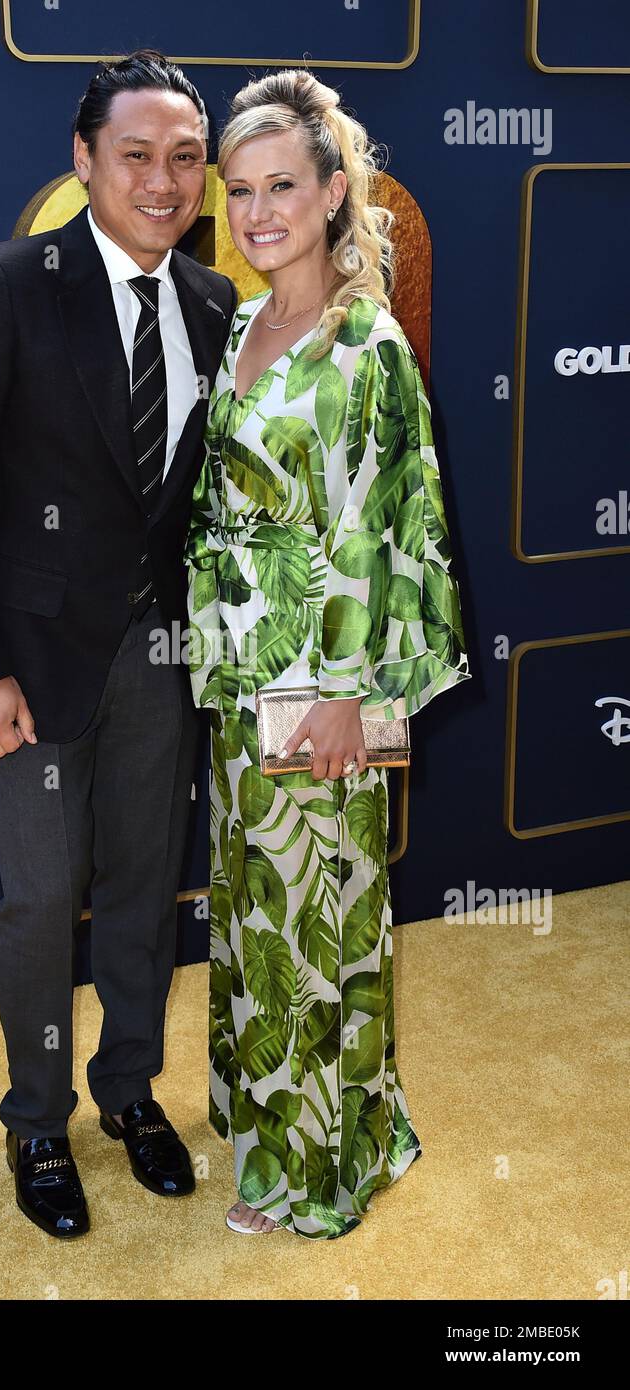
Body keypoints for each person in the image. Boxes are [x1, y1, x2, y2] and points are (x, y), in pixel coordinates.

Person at [0, 50, 236, 1239]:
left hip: (164, 659)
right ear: (83, 159)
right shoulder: (1, 285)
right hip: (33, 667)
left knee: (145, 891)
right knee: (42, 902)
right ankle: (37, 1120)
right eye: (136, 153)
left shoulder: (209, 301)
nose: (163, 178)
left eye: (185, 156)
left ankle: (128, 1093)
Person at [184, 69, 471, 1238]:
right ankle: (299, 1127)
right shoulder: (248, 320)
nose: (256, 213)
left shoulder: (365, 345)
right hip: (237, 677)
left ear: (332, 191)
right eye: (239, 189)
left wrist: (354, 700)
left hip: (320, 688)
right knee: (257, 917)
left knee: (317, 928)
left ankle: (318, 1173)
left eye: (281, 187)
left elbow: (392, 531)